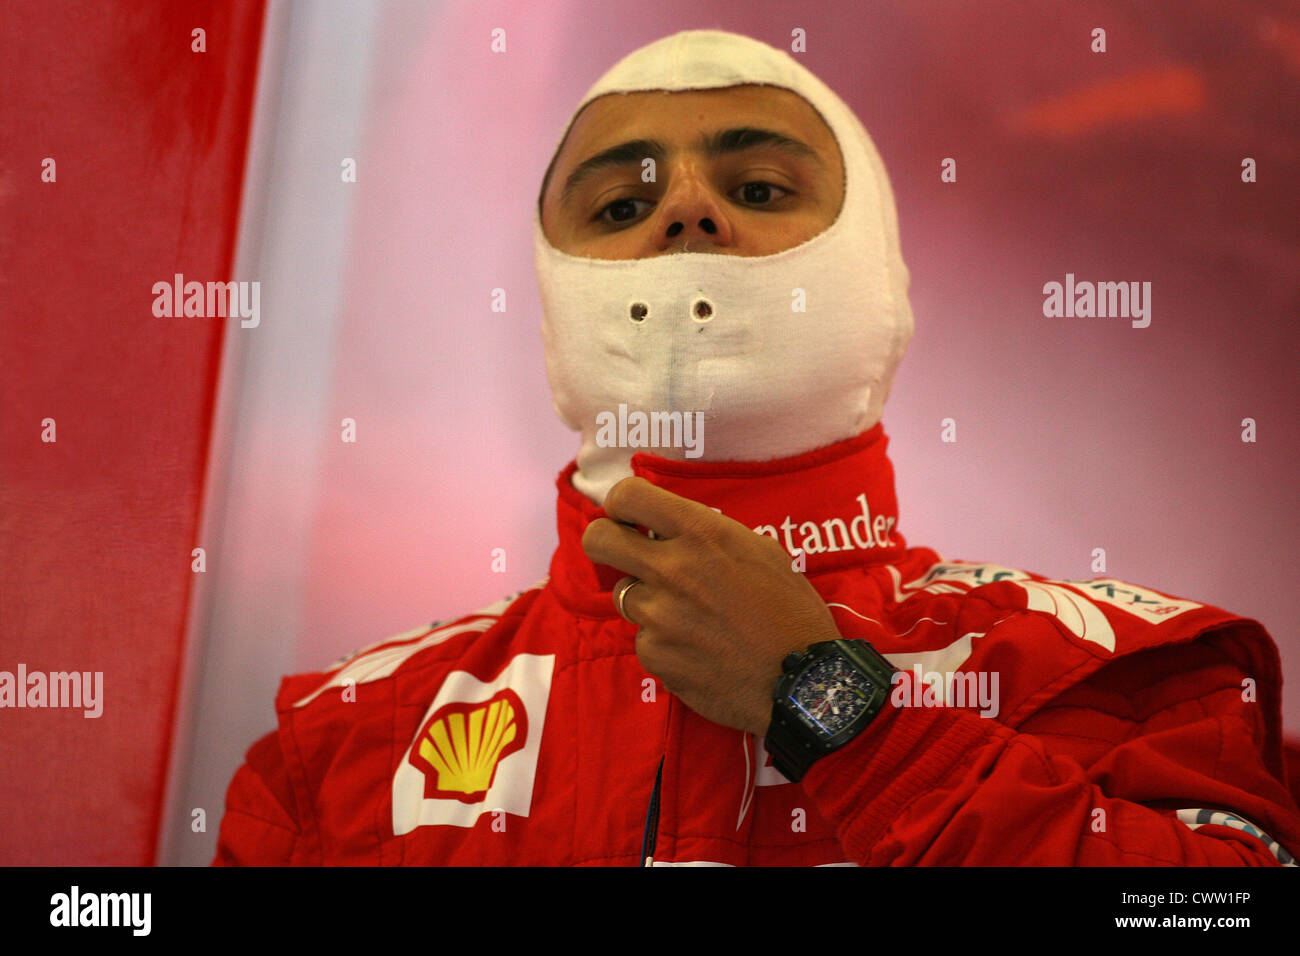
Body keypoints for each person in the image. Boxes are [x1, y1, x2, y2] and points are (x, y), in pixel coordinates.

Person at [212, 29, 1300, 866]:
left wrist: (831, 705)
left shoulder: (1126, 677)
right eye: (619, 200)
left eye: (758, 188)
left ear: (880, 290)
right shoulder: (341, 747)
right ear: (549, 319)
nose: (685, 210)